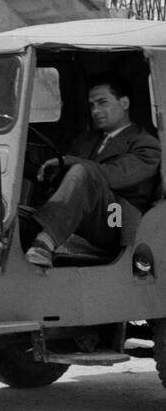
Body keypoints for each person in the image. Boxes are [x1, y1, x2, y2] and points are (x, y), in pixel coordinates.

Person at [24, 75, 162, 267]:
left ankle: (44, 243)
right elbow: (67, 175)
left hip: (117, 221)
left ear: (124, 102)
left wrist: (69, 161)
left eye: (102, 102)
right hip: (80, 215)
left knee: (83, 172)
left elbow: (115, 176)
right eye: (92, 105)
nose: (96, 111)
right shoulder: (86, 140)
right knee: (19, 215)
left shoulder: (147, 144)